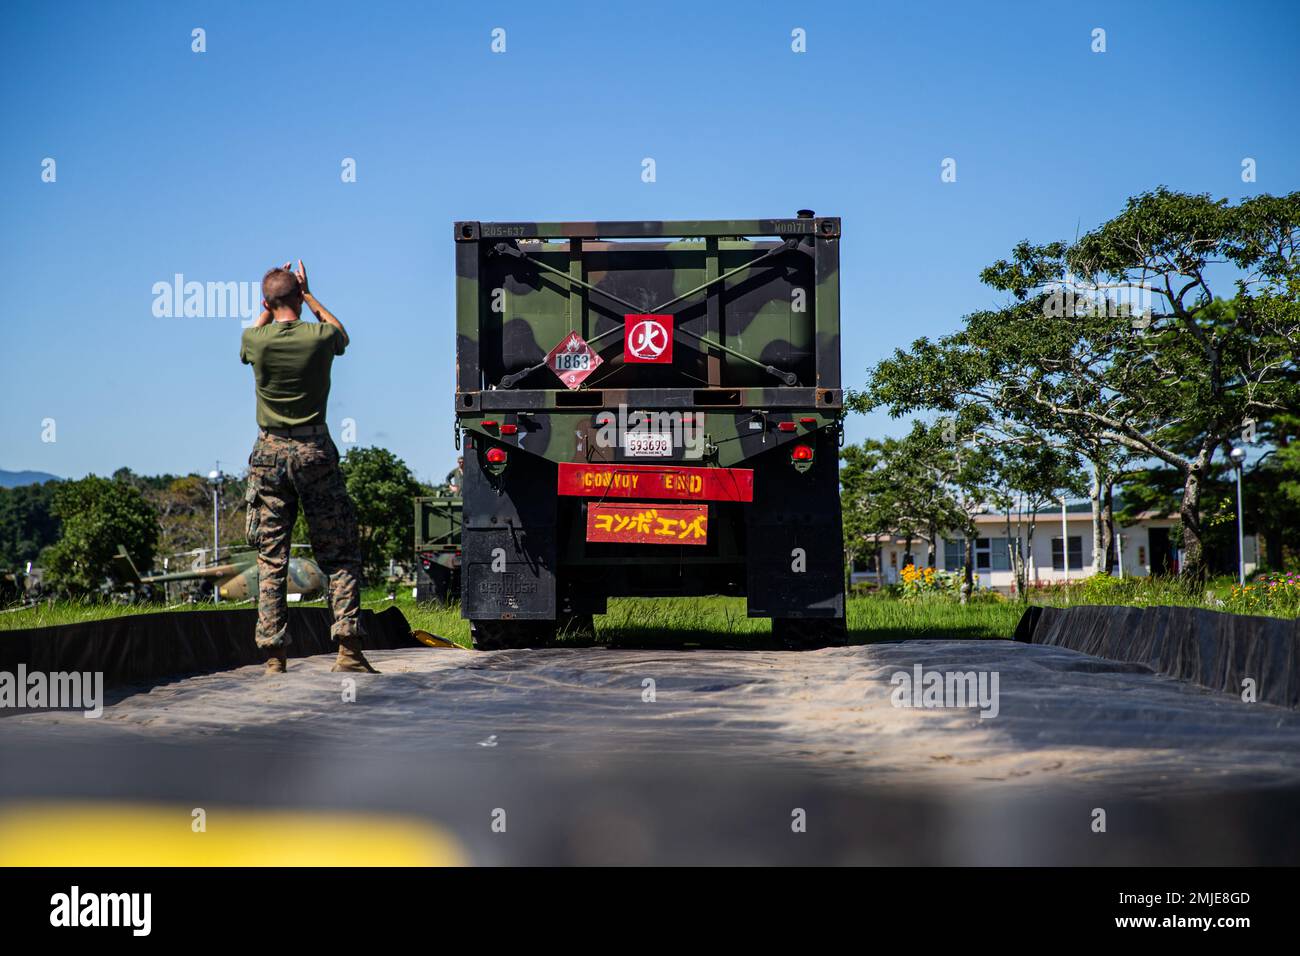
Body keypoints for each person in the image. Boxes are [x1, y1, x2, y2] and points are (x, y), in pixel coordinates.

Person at [241, 260, 376, 675]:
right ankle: (348, 652)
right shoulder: (319, 337)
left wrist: (273, 300)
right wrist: (310, 294)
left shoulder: (255, 340)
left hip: (268, 453)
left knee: (272, 558)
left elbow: (257, 329)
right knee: (338, 552)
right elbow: (342, 333)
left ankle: (273, 658)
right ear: (298, 298)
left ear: (266, 301)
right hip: (314, 448)